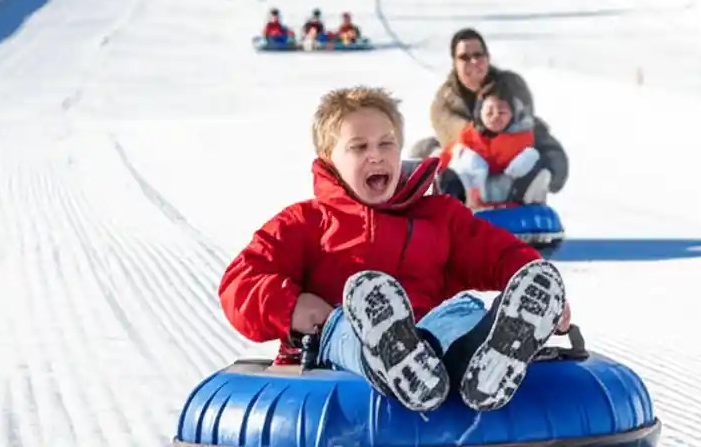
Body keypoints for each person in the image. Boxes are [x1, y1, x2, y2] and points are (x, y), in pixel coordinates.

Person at [218, 86, 571, 413]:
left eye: (386, 144)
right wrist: (292, 307)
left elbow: (498, 251)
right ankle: (387, 357)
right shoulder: (308, 222)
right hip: (340, 343)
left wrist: (537, 286)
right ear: (329, 158)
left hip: (428, 338)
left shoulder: (439, 216)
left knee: (462, 313)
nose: (376, 156)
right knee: (344, 326)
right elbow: (241, 281)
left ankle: (480, 362)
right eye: (359, 146)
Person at [412, 28, 568, 197]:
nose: (473, 61)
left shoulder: (510, 84)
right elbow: (454, 137)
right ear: (454, 63)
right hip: (470, 161)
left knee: (542, 148)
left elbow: (525, 122)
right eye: (464, 57)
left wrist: (551, 166)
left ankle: (530, 192)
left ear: (487, 58)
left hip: (512, 153)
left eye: (478, 55)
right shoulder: (444, 102)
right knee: (426, 153)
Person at [438, 80, 551, 210]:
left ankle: (530, 203)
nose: (495, 117)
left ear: (512, 114)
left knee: (531, 158)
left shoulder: (521, 137)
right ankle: (453, 206)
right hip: (472, 194)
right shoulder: (469, 135)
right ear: (480, 112)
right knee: (460, 162)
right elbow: (450, 154)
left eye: (502, 112)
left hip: (509, 195)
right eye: (489, 112)